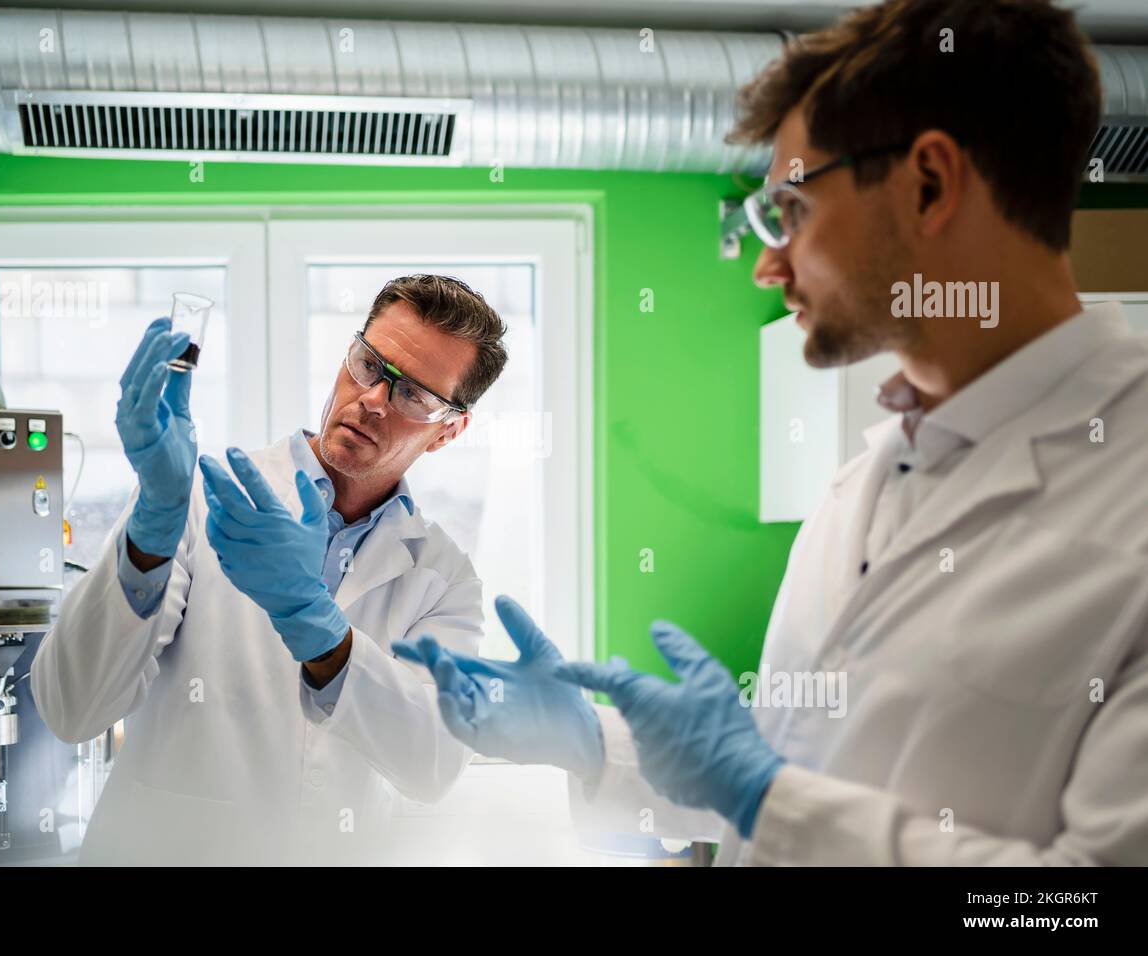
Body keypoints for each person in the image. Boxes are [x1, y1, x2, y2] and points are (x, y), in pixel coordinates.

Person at [397, 0, 1148, 865]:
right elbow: (793, 784)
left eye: (790, 211)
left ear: (930, 186)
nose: (767, 264)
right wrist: (593, 745)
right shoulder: (864, 485)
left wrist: (759, 790)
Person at [33, 274, 508, 864]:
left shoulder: (443, 578)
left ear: (449, 431)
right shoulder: (200, 495)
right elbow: (72, 708)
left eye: (413, 395)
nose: (373, 400)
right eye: (368, 364)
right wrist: (156, 517)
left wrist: (316, 625)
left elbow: (433, 763)